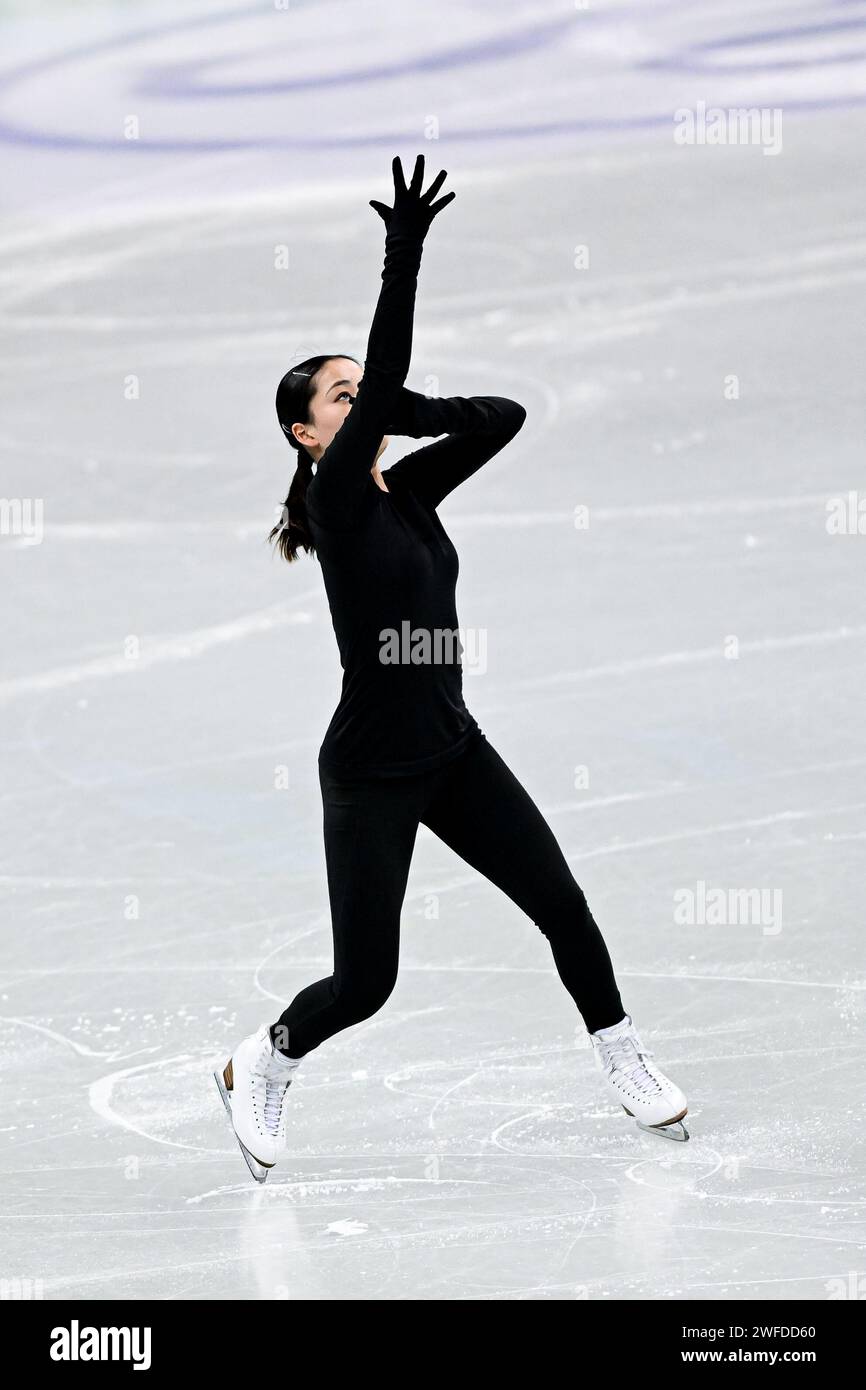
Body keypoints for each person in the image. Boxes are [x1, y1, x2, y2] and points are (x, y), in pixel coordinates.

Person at [213, 156, 688, 1182]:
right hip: (371, 769)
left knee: (562, 904)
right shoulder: (336, 502)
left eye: (355, 391)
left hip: (453, 749)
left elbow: (504, 415)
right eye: (339, 397)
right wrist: (402, 256)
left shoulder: (409, 493)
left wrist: (407, 406)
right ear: (306, 434)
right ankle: (263, 1058)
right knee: (366, 982)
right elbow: (390, 384)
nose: (357, 401)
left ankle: (622, 1057)